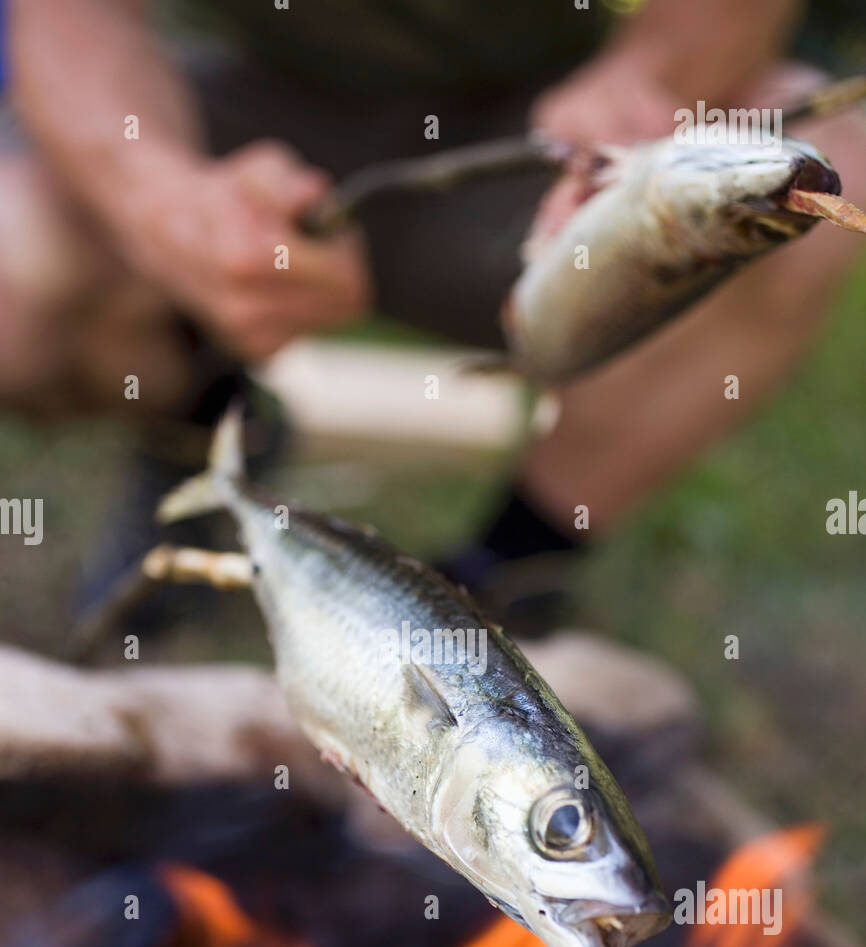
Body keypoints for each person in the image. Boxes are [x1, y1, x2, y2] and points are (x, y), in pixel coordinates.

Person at [3, 0, 865, 624]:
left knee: (820, 172)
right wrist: (159, 196)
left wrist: (649, 81)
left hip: (528, 127)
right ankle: (201, 444)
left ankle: (499, 583)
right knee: (15, 265)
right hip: (241, 96)